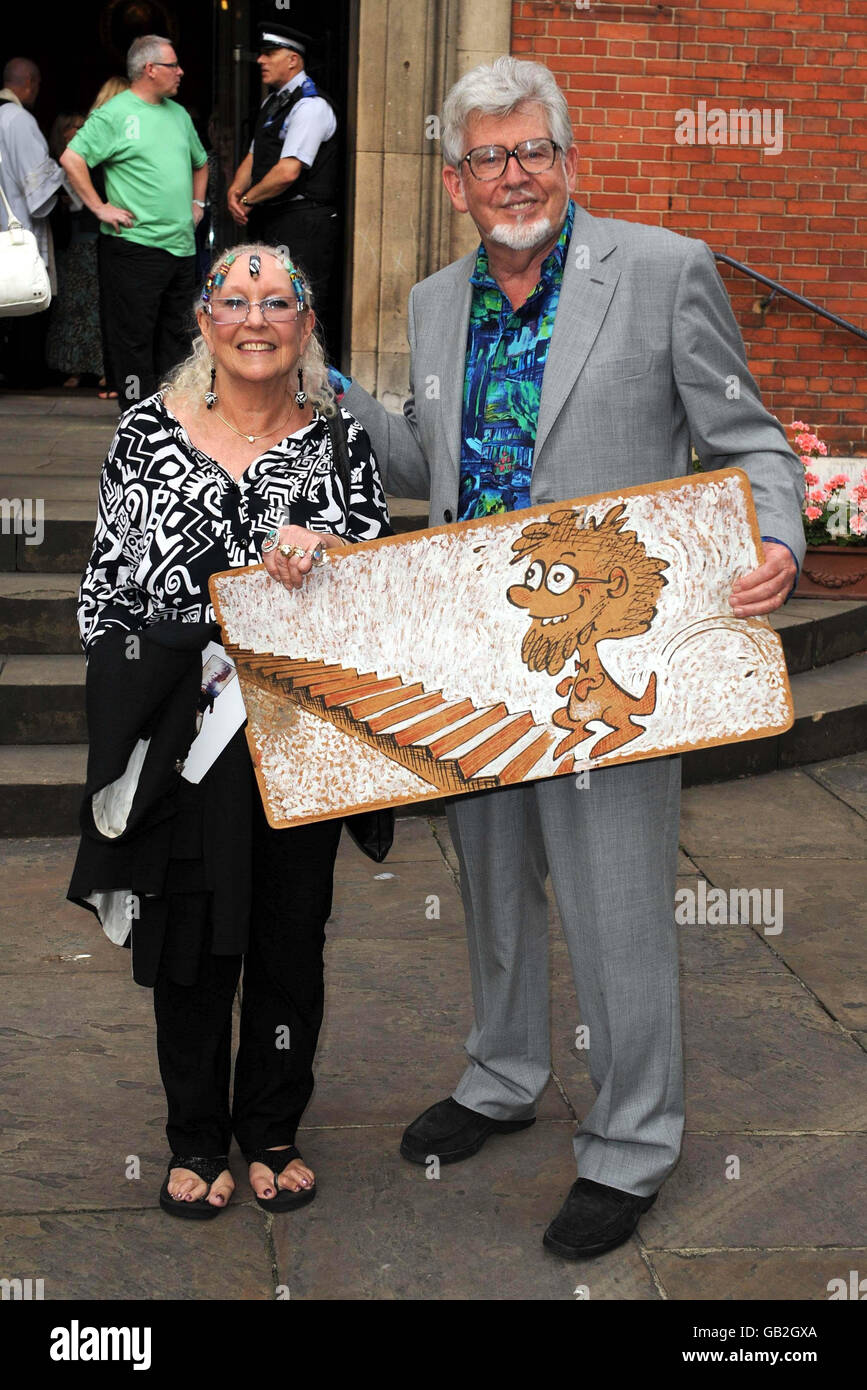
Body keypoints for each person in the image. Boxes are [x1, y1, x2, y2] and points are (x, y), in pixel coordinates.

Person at [335, 56, 806, 1260]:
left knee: (615, 904)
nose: (512, 175)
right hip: (475, 651)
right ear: (454, 182)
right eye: (487, 158)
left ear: (567, 159)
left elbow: (746, 438)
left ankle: (633, 1139)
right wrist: (313, 387)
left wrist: (778, 544)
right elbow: (419, 459)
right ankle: (502, 1074)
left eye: (531, 151)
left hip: (615, 654)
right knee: (490, 886)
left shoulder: (658, 270)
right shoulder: (437, 304)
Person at [68, 244, 391, 1218]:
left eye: (277, 301)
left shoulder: (340, 444)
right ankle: (196, 1131)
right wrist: (210, 611)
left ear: (305, 325)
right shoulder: (145, 434)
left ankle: (273, 1122)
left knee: (292, 935)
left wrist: (325, 558)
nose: (257, 319)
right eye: (235, 300)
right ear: (204, 321)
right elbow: (103, 600)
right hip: (186, 733)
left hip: (297, 735)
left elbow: (380, 598)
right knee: (194, 935)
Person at [60, 35, 208, 411]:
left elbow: (201, 162)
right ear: (150, 69)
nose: (181, 72)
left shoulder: (178, 115)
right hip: (133, 247)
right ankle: (135, 415)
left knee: (177, 336)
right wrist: (99, 208)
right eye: (174, 65)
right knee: (132, 339)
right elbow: (72, 159)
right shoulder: (113, 114)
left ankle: (174, 415)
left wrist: (197, 202)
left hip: (180, 246)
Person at [228, 22, 339, 351]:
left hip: (303, 222)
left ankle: (310, 388)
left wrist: (248, 198)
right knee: (266, 301)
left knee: (298, 306)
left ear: (293, 60)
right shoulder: (272, 103)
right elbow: (254, 155)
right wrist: (234, 192)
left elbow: (288, 171)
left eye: (269, 54)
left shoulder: (310, 105)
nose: (261, 60)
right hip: (274, 219)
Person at [0, 57, 65, 388]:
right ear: (30, 83)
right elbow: (37, 185)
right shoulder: (18, 120)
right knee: (25, 298)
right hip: (16, 228)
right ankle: (25, 373)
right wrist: (65, 180)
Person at [45, 114, 104, 389]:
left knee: (94, 308)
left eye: (82, 127)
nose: (79, 131)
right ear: (62, 132)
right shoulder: (53, 165)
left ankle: (102, 368)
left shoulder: (95, 161)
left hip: (93, 241)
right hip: (67, 245)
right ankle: (74, 369)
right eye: (73, 126)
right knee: (70, 308)